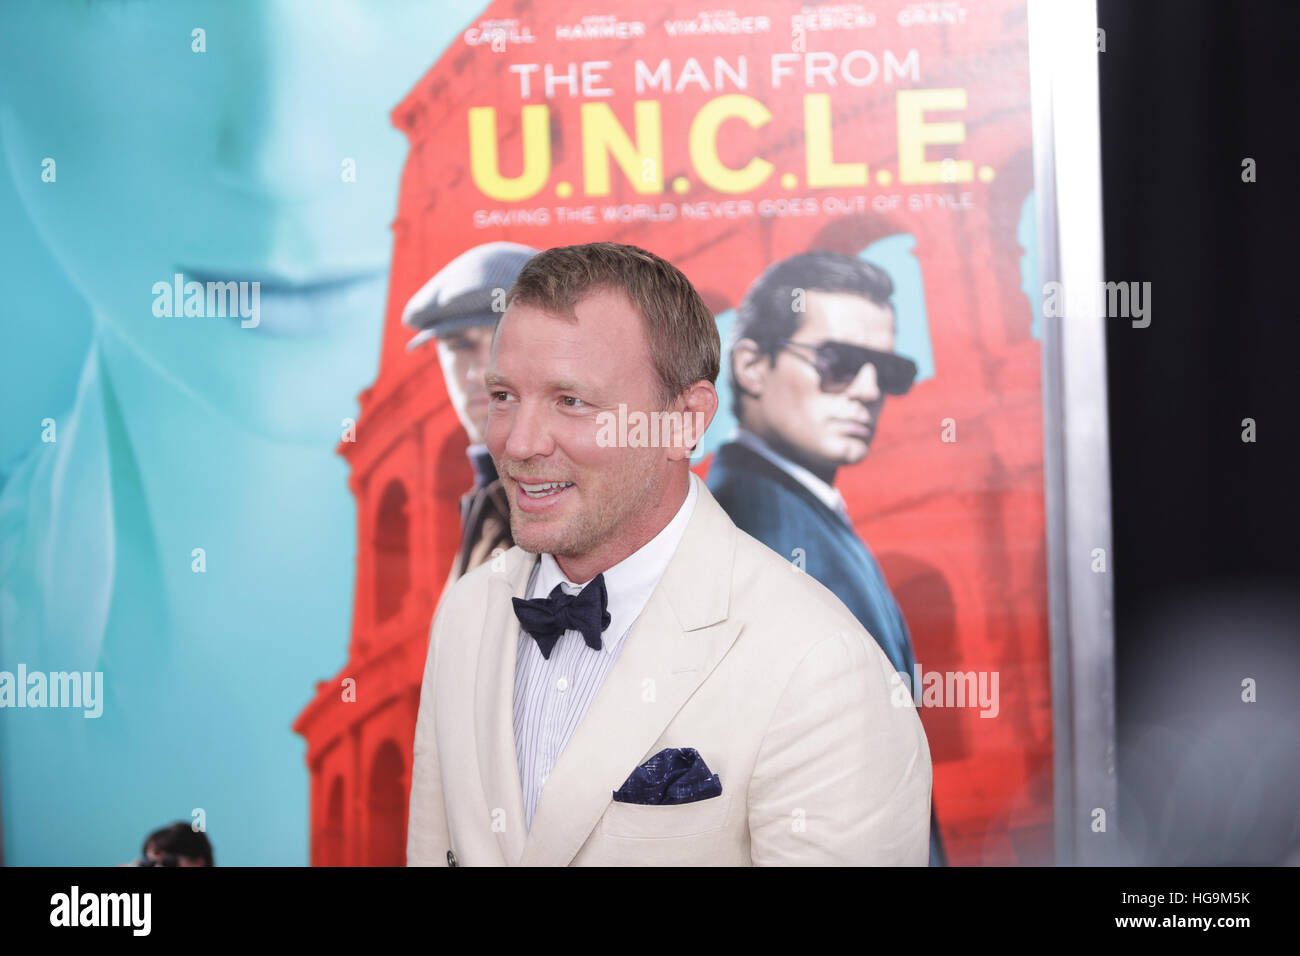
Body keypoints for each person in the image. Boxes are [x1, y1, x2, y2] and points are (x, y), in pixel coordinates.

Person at [406, 242, 932, 866]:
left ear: (685, 421)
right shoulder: (467, 613)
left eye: (572, 401)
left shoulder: (821, 665)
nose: (517, 443)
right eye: (503, 396)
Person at [706, 249, 948, 866]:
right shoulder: (761, 526)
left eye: (887, 370)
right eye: (838, 362)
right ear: (752, 365)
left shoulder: (786, 511)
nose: (869, 391)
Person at [401, 242, 538, 590]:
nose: (479, 372)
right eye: (460, 345)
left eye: (502, 341)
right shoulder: (493, 494)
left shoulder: (584, 505)